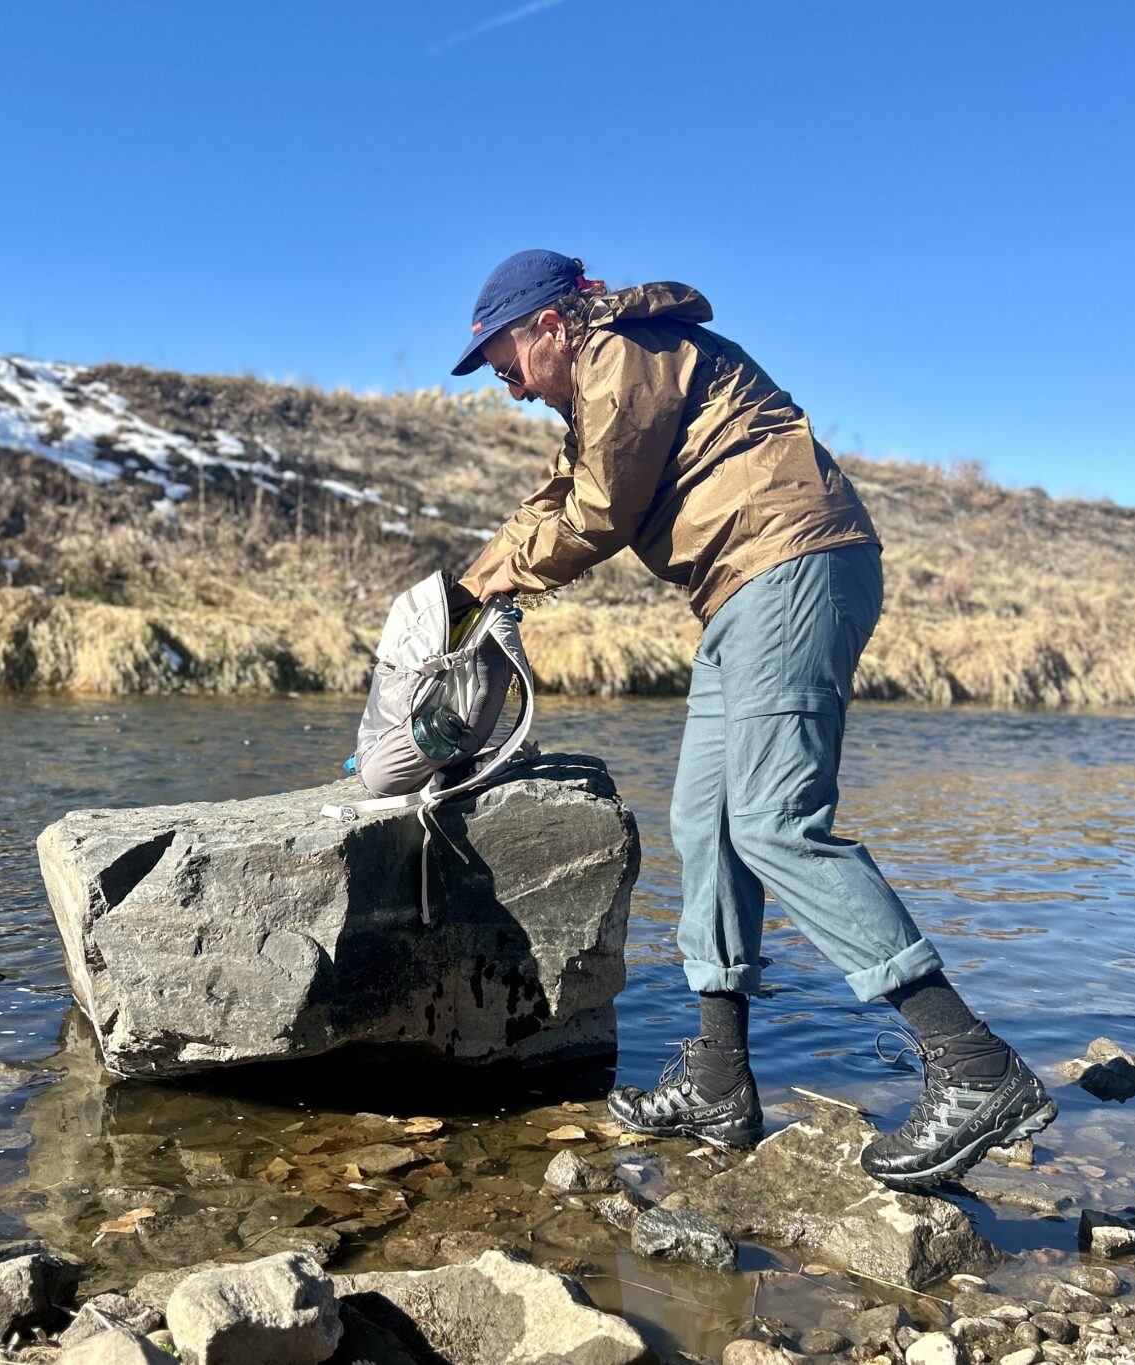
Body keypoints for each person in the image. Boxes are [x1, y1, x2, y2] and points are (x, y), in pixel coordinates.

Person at [451, 249, 1056, 1189]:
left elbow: (600, 509)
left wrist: (502, 579)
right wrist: (464, 589)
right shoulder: (599, 380)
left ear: (552, 327)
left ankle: (971, 1062)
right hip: (739, 591)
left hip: (791, 567)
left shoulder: (625, 354)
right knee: (709, 821)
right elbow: (555, 500)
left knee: (776, 822)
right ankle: (719, 1077)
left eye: (510, 369)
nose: (515, 390)